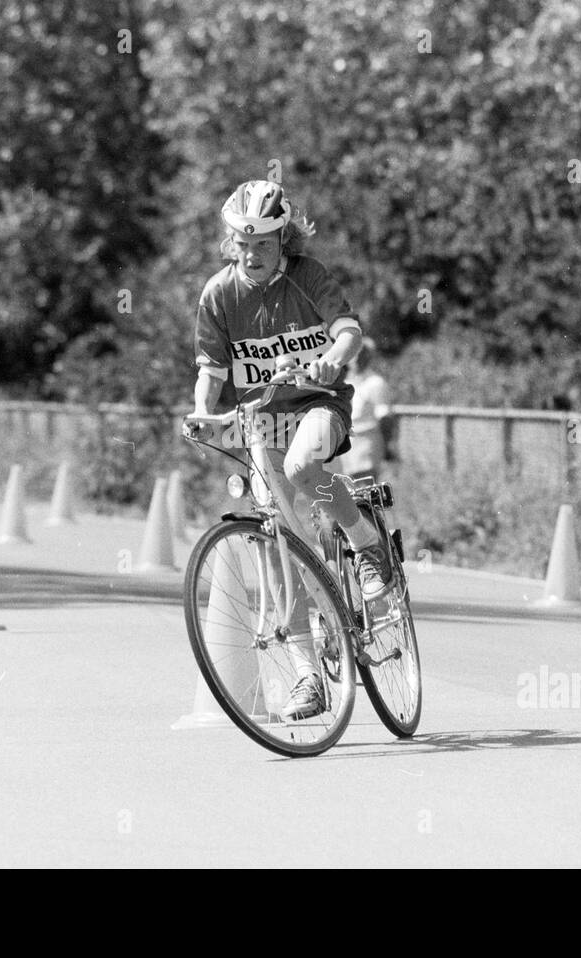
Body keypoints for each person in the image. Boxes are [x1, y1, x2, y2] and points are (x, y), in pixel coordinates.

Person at [187, 179, 391, 720]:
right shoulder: (218, 295)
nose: (252, 254)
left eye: (263, 243)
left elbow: (347, 330)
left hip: (318, 404)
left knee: (304, 465)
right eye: (242, 243)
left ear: (283, 238)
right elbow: (211, 373)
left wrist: (333, 360)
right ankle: (308, 675)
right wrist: (205, 414)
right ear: (232, 241)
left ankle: (366, 544)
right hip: (261, 420)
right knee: (277, 532)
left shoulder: (307, 277)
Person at [327, 335, 395, 482]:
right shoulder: (345, 383)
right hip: (347, 448)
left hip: (367, 445)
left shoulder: (375, 383)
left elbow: (385, 418)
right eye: (353, 353)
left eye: (361, 354)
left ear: (369, 357)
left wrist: (387, 445)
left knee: (366, 489)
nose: (357, 358)